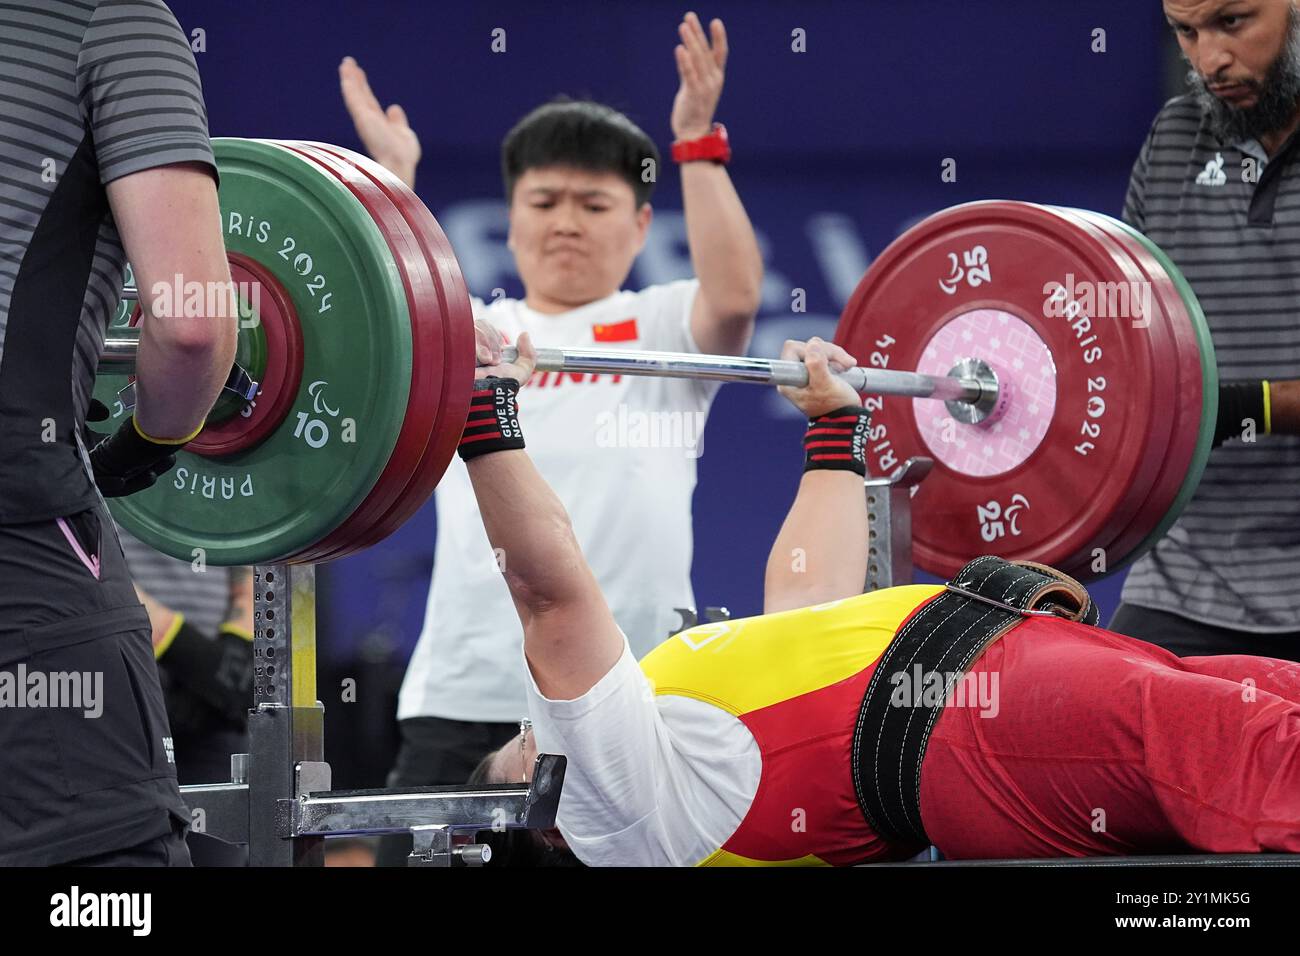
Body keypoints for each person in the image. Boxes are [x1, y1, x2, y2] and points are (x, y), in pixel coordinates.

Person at [457, 324, 1300, 866]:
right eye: (528, 749)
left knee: (1275, 703)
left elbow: (809, 606)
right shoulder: (613, 815)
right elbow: (548, 593)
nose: (544, 722)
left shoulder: (673, 750)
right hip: (975, 728)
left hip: (1000, 670)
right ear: (548, 822)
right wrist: (482, 419)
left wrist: (835, 429)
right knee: (1245, 748)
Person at [340, 13, 765, 865]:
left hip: (627, 691)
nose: (566, 220)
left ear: (642, 225)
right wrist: (391, 189)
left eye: (594, 203)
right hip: (464, 692)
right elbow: (382, 308)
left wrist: (695, 141)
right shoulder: (468, 327)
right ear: (512, 217)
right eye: (544, 201)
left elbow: (736, 295)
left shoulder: (659, 325)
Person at [0, 0, 236, 866]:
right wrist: (154, 438)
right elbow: (193, 325)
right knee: (104, 885)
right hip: (20, 534)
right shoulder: (113, 20)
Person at [1110, 0, 1300, 659]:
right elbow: (1128, 337)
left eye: (1233, 22)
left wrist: (1245, 407)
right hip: (1188, 584)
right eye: (1186, 32)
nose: (1208, 59)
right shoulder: (1176, 133)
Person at [122, 526, 254, 867]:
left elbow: (260, 527)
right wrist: (188, 651)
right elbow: (73, 548)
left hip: (216, 704)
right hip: (120, 688)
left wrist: (238, 649)